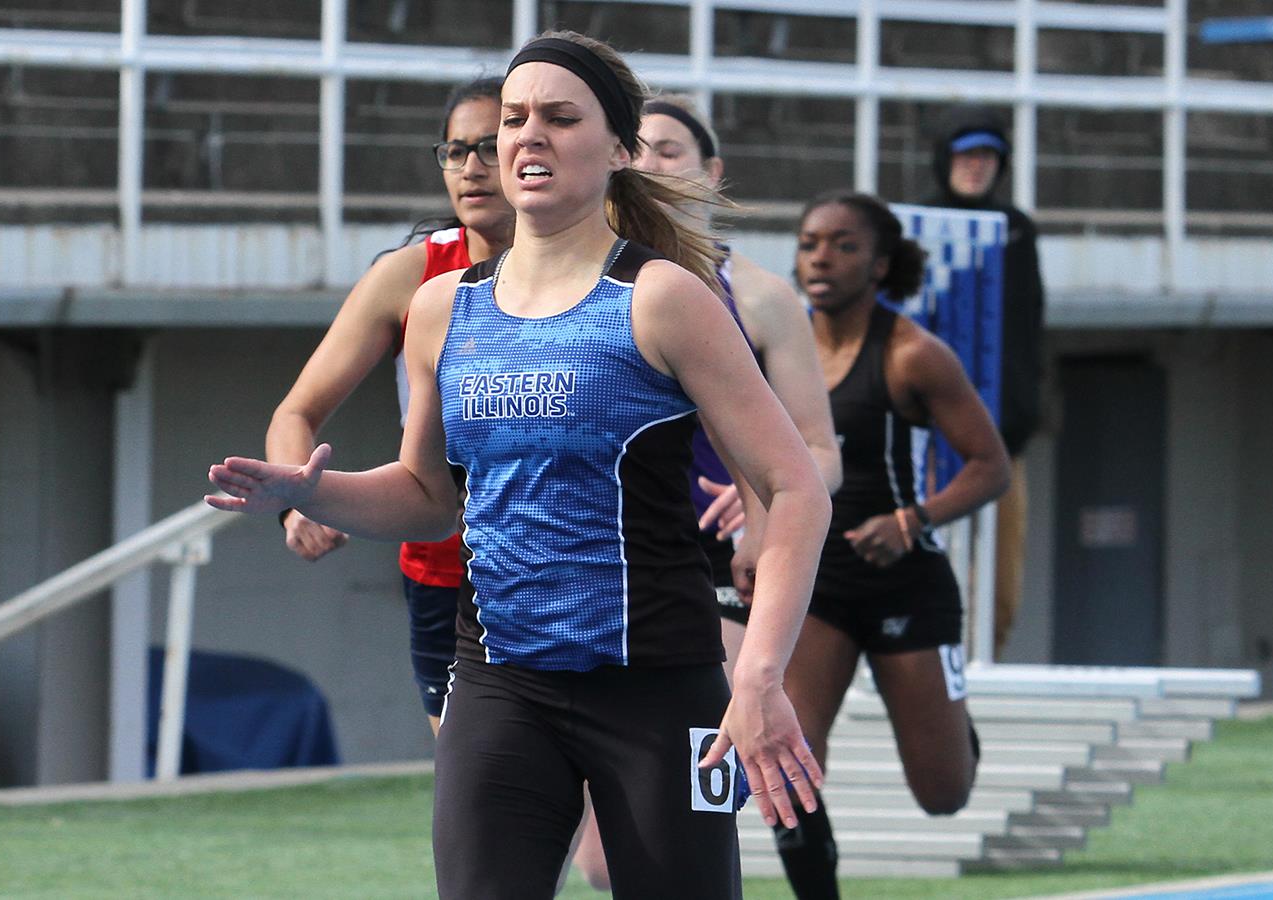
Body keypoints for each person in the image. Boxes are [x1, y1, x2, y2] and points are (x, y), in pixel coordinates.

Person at [210, 31, 831, 899]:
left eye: (560, 118)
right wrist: (316, 492)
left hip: (658, 687)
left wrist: (760, 670)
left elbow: (794, 484)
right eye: (514, 119)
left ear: (619, 149)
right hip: (501, 685)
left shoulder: (663, 297)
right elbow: (430, 498)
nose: (528, 136)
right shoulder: (440, 308)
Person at [567, 92, 844, 893]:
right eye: (637, 148)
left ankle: (803, 873)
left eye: (671, 150)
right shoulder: (569, 284)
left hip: (722, 563)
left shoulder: (755, 294)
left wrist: (762, 509)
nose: (649, 163)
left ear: (712, 173)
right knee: (597, 858)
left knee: (727, 756)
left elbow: (817, 455)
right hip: (601, 563)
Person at [765, 191, 1011, 899]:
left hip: (907, 580)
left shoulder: (914, 355)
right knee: (790, 756)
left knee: (943, 794)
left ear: (879, 264)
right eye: (811, 241)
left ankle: (955, 730)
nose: (821, 256)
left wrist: (910, 522)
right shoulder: (776, 348)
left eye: (843, 245)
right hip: (818, 583)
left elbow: (989, 465)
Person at [265, 76, 512, 736]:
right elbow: (296, 412)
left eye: (491, 146)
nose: (471, 168)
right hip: (444, 564)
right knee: (480, 796)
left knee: (589, 800)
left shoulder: (615, 273)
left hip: (569, 561)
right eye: (455, 151)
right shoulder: (413, 275)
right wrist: (298, 498)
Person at [919, 105, 1045, 657]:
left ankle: (982, 674)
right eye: (966, 156)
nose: (976, 168)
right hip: (924, 441)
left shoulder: (1015, 230)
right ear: (944, 160)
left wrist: (1017, 418)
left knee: (1000, 587)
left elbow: (1025, 330)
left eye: (987, 158)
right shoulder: (913, 226)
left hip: (997, 438)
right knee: (924, 573)